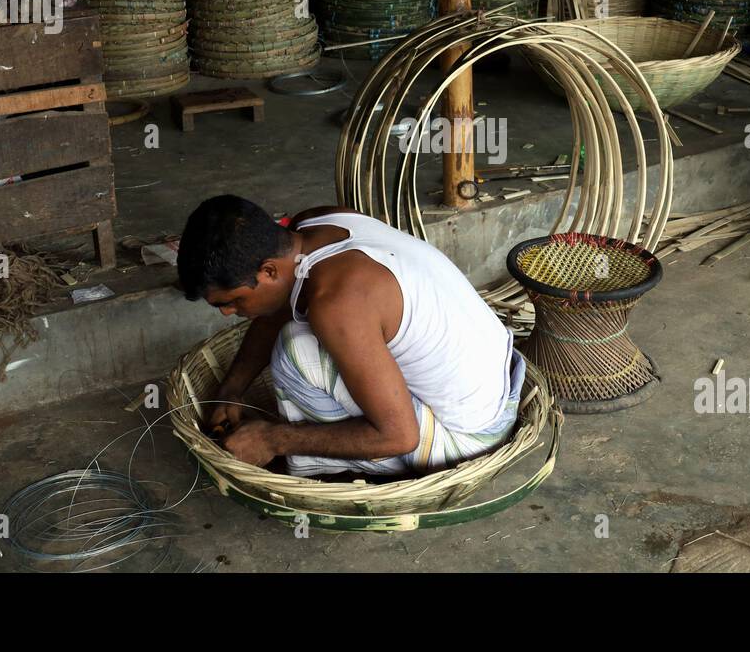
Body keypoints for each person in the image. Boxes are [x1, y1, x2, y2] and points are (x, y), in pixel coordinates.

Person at [177, 196, 524, 477]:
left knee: (295, 349)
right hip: (499, 389)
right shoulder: (316, 224)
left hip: (467, 440)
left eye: (233, 301)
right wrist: (232, 389)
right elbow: (277, 308)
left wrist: (272, 439)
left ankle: (321, 469)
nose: (226, 312)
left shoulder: (337, 303)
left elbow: (400, 436)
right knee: (307, 330)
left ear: (268, 270)